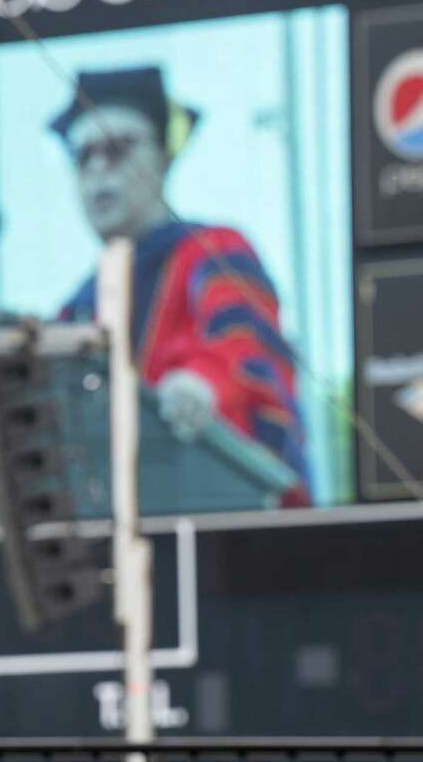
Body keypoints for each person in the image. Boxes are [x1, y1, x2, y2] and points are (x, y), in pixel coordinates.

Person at [52, 66, 312, 505]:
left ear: (163, 158)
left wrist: (204, 386)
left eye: (118, 149)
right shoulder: (74, 310)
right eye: (83, 157)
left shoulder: (213, 253)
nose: (98, 170)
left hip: (226, 526)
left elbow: (248, 349)